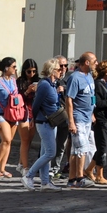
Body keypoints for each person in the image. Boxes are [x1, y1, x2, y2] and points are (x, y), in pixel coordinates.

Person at [25, 58, 66, 191]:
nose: (61, 71)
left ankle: (45, 182)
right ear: (52, 70)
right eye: (59, 69)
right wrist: (33, 119)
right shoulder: (44, 85)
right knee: (50, 152)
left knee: (45, 152)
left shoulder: (53, 85)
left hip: (52, 122)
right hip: (43, 122)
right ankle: (29, 175)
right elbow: (36, 104)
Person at [64, 51, 98, 188]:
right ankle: (80, 177)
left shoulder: (89, 76)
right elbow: (69, 99)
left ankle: (72, 179)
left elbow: (90, 97)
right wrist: (71, 121)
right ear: (87, 62)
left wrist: (92, 113)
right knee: (82, 148)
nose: (97, 63)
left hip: (87, 118)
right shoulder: (75, 78)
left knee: (75, 150)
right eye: (94, 61)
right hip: (78, 118)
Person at [0, 57, 20, 178]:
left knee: (8, 142)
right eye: (14, 67)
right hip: (1, 115)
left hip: (13, 114)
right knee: (6, 140)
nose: (15, 69)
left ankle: (2, 168)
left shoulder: (13, 81)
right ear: (6, 68)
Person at [15, 59, 39, 174]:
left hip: (33, 112)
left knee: (29, 140)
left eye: (34, 71)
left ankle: (20, 163)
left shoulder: (38, 81)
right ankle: (25, 167)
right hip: (23, 112)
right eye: (29, 71)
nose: (32, 74)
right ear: (24, 71)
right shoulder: (20, 81)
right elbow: (18, 99)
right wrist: (28, 91)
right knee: (24, 140)